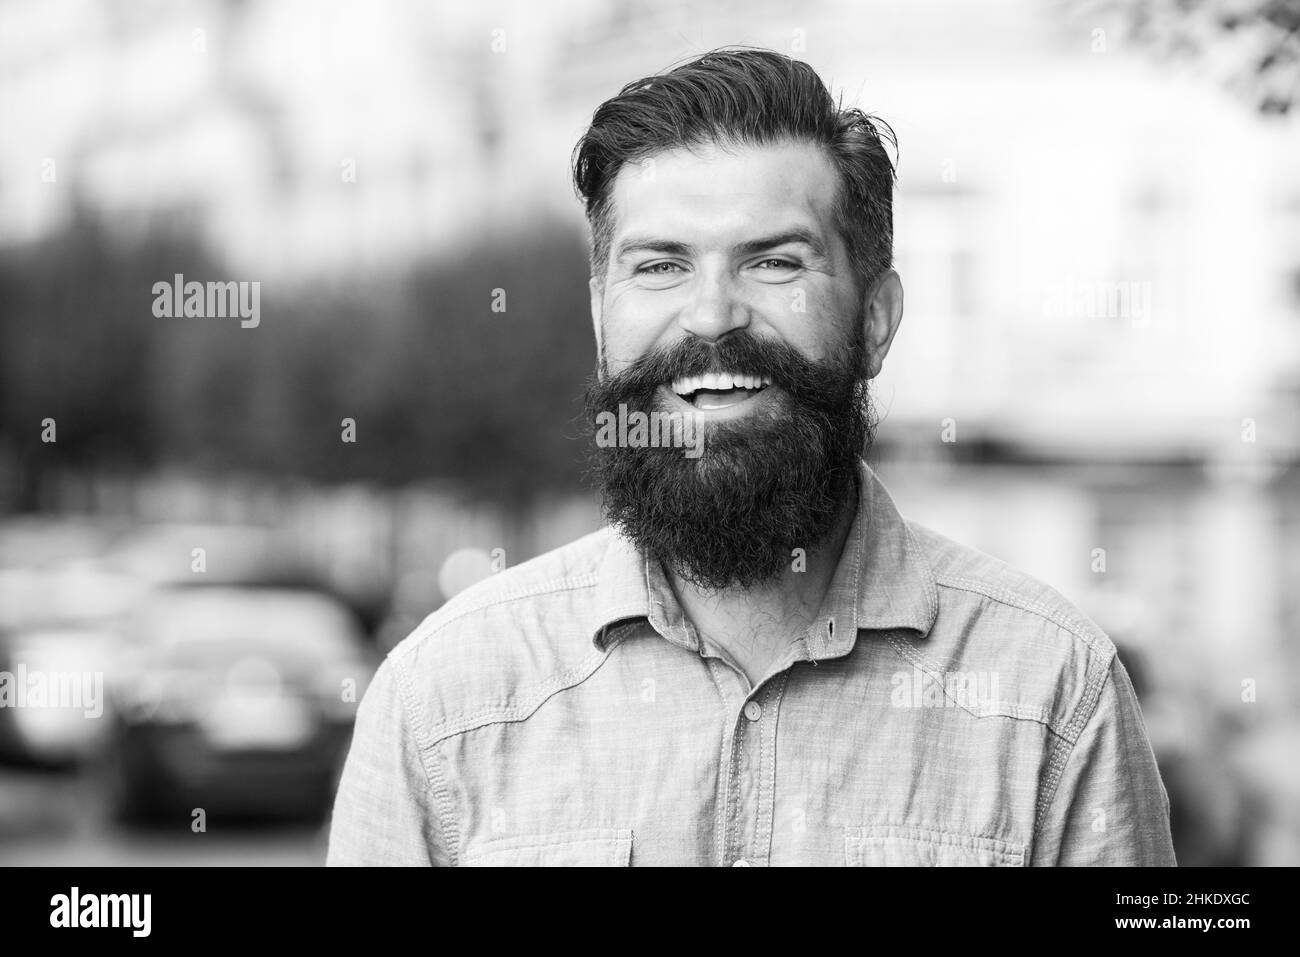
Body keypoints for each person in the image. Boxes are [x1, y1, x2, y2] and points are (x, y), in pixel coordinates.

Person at [327, 47, 1175, 866]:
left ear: (875, 318)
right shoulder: (440, 701)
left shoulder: (1052, 691)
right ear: (600, 319)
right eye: (659, 265)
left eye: (774, 262)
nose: (710, 315)